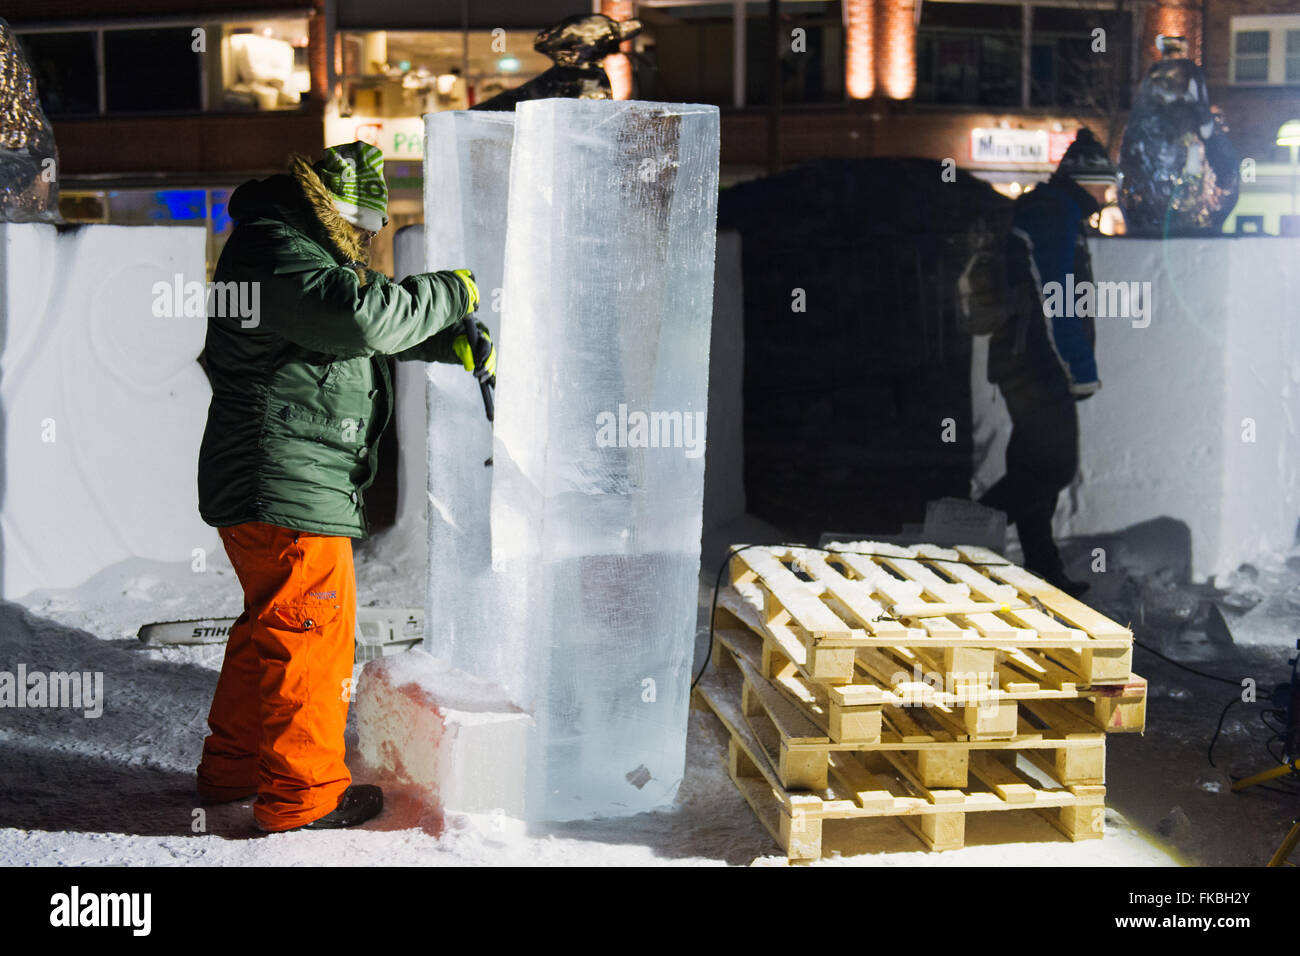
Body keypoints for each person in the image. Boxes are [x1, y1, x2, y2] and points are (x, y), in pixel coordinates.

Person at [194, 141, 494, 831]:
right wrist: (456, 290)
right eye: (359, 225)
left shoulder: (289, 250)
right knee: (309, 637)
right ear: (330, 209)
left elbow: (338, 333)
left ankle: (233, 771)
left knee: (272, 629)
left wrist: (442, 343)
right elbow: (359, 317)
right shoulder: (276, 248)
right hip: (285, 480)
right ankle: (303, 798)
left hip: (275, 480)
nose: (364, 239)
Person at [979, 129, 1116, 597]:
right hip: (1037, 364)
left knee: (1035, 466)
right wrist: (1077, 369)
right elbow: (1054, 298)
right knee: (1053, 467)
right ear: (1086, 180)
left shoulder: (1059, 211)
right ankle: (952, 541)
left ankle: (1042, 570)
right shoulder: (1053, 212)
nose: (1109, 193)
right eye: (1105, 183)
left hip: (1028, 360)